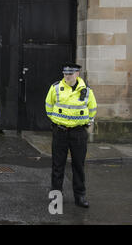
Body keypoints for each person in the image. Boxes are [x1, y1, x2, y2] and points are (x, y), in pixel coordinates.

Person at [45, 62, 97, 208]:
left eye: (70, 74)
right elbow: (48, 106)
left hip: (79, 132)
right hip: (60, 131)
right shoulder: (55, 88)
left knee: (78, 165)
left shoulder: (87, 90)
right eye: (65, 73)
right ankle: (56, 196)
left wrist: (87, 122)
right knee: (57, 165)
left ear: (77, 74)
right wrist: (56, 122)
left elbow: (92, 109)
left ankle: (80, 196)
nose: (67, 76)